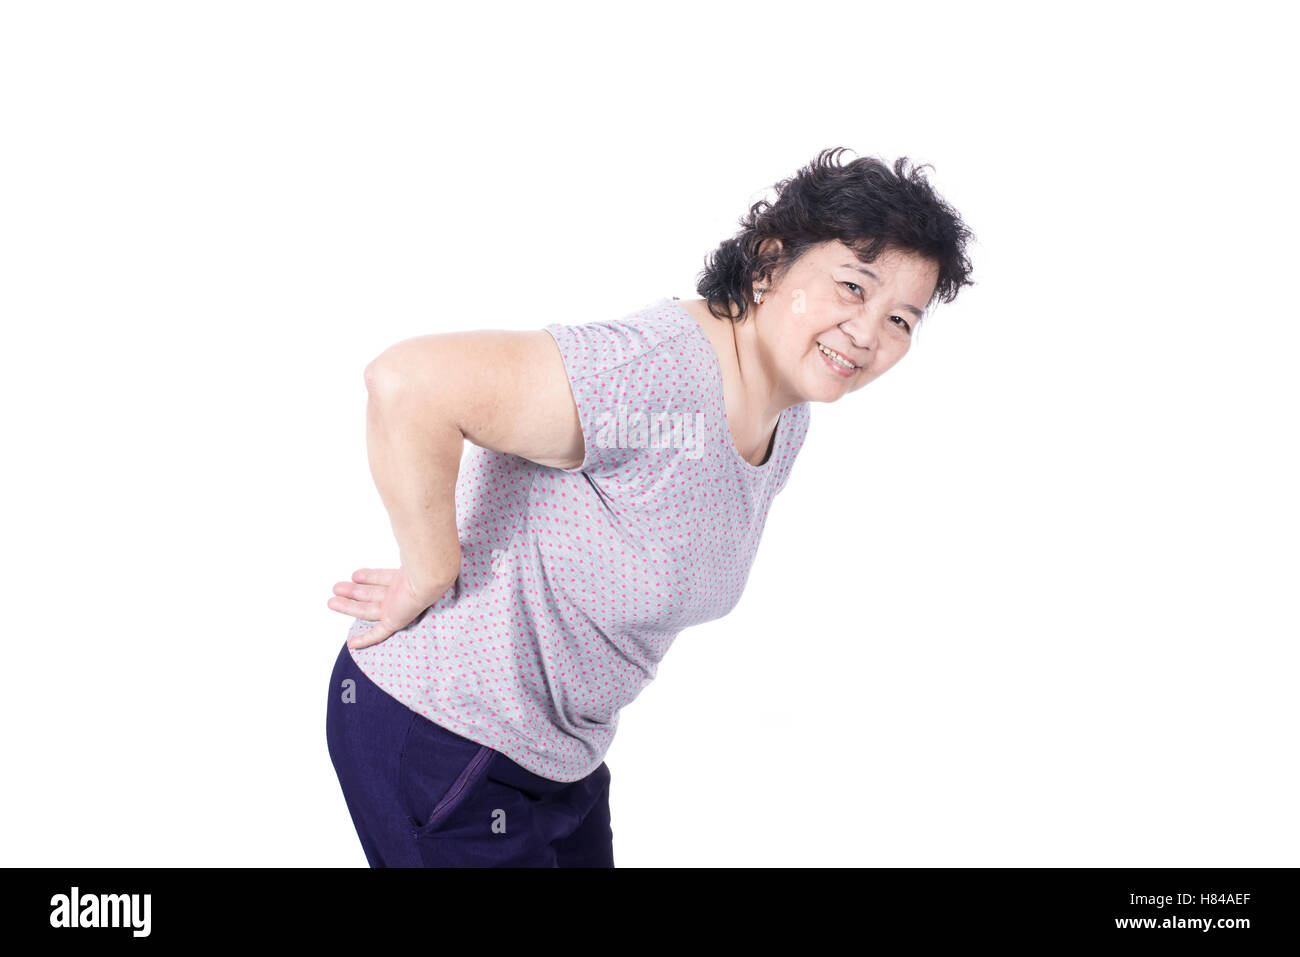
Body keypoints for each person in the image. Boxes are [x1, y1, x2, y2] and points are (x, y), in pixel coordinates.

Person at [324, 147, 975, 867]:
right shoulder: (653, 373)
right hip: (444, 735)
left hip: (560, 759)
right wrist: (428, 569)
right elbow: (407, 382)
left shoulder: (786, 418)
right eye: (853, 286)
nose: (867, 333)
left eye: (901, 320)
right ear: (769, 264)